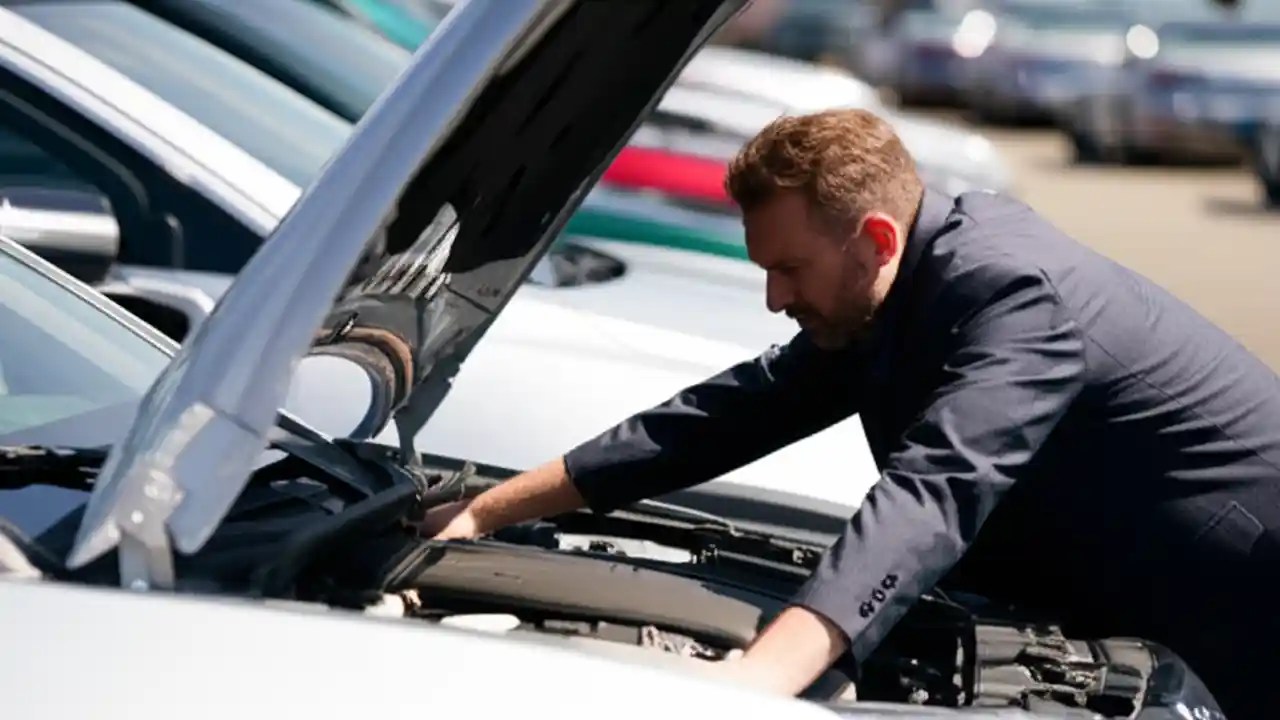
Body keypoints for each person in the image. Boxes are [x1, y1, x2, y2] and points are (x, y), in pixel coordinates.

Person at [417, 109, 1280, 718]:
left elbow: (936, 491)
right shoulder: (889, 292)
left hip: (1248, 600)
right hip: (1149, 596)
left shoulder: (1013, 293)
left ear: (874, 239)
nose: (771, 297)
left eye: (788, 268)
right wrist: (491, 509)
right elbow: (716, 419)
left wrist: (758, 683)